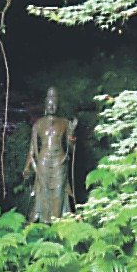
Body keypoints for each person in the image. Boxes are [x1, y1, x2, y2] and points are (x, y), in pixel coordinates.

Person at [23, 86, 78, 223]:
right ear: (45, 105)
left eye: (54, 104)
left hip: (59, 160)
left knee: (59, 192)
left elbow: (70, 147)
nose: (52, 106)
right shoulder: (38, 124)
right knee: (43, 192)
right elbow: (32, 150)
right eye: (49, 104)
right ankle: (43, 222)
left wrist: (71, 138)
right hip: (43, 161)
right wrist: (27, 166)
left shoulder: (65, 123)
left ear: (58, 105)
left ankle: (59, 222)